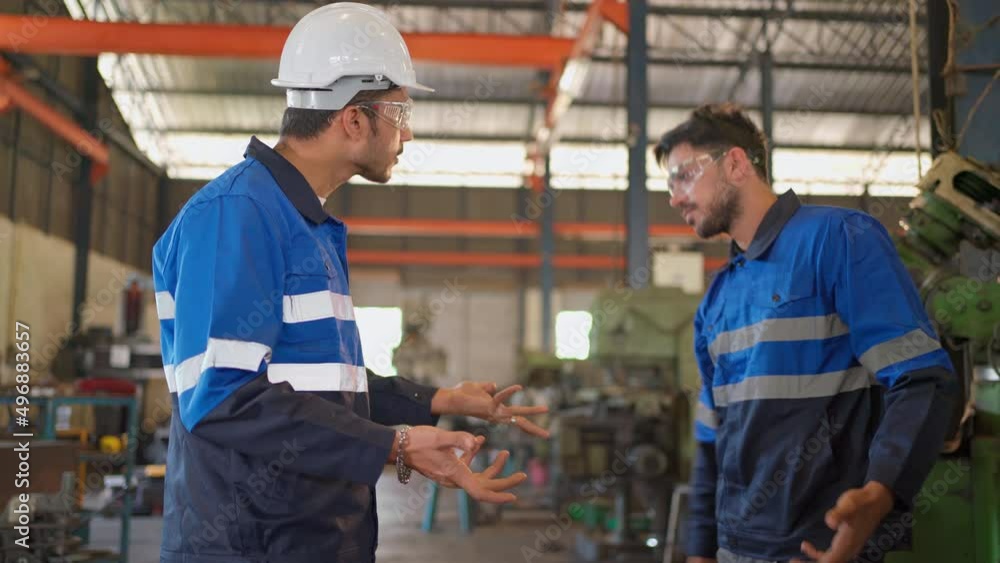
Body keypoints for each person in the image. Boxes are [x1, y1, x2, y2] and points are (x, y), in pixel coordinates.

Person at [152, 4, 548, 562]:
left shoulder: (303, 223)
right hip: (249, 546)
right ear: (354, 120)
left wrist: (435, 400)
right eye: (400, 113)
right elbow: (224, 398)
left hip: (309, 537)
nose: (407, 134)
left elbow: (315, 384)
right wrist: (396, 443)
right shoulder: (235, 215)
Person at [654, 104, 958, 563]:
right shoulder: (716, 300)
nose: (675, 198)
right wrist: (700, 548)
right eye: (669, 184)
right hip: (737, 547)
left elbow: (921, 378)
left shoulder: (838, 239)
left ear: (735, 163)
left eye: (683, 176)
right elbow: (711, 439)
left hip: (822, 545)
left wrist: (882, 492)